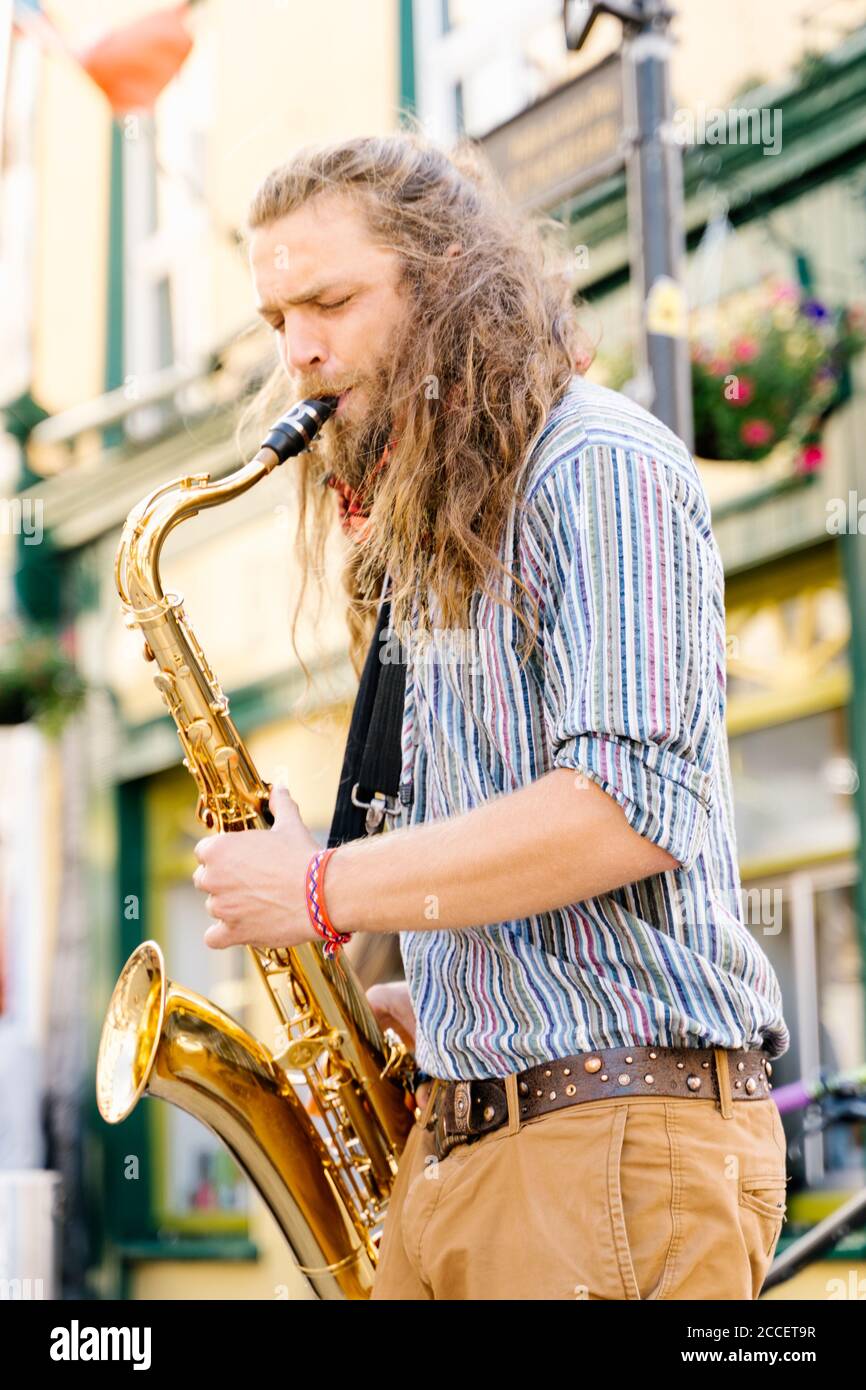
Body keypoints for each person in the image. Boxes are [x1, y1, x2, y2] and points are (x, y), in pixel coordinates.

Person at [191, 133, 791, 1301]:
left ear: (452, 279)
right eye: (275, 318)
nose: (299, 348)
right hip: (486, 1146)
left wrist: (317, 889)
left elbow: (627, 806)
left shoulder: (596, 465)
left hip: (604, 1146)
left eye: (330, 299)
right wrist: (467, 989)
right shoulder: (446, 535)